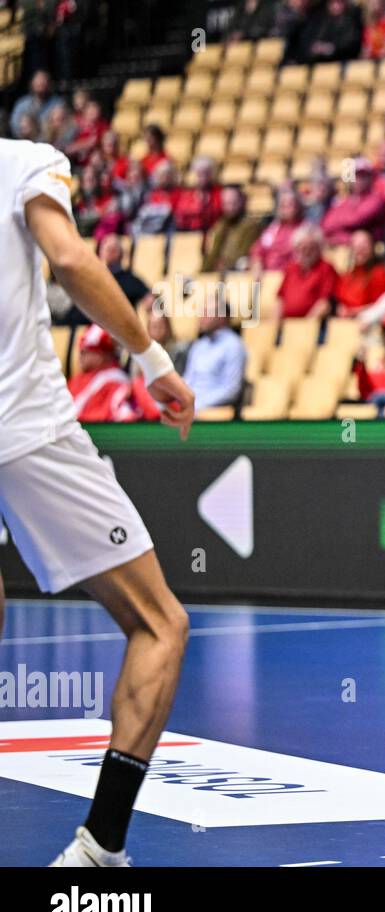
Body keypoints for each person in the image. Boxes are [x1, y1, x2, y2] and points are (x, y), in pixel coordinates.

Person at [0, 139, 194, 867]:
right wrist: (153, 359)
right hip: (23, 428)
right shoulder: (23, 161)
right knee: (160, 623)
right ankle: (99, 848)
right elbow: (72, 260)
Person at [67, 325, 139, 423]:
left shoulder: (115, 382)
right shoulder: (79, 379)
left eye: (84, 352)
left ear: (99, 355)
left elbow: (125, 417)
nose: (80, 357)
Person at [183, 308, 248, 410]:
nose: (201, 317)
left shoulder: (234, 345)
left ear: (222, 316)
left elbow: (231, 390)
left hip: (208, 409)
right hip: (188, 405)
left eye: (206, 313)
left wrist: (196, 405)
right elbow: (188, 380)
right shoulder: (199, 345)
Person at [201, 186, 263, 273]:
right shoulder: (220, 226)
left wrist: (224, 265)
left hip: (236, 274)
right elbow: (213, 254)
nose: (230, 208)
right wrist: (203, 271)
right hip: (216, 273)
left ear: (241, 202)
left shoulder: (251, 226)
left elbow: (244, 255)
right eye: (226, 204)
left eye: (233, 203)